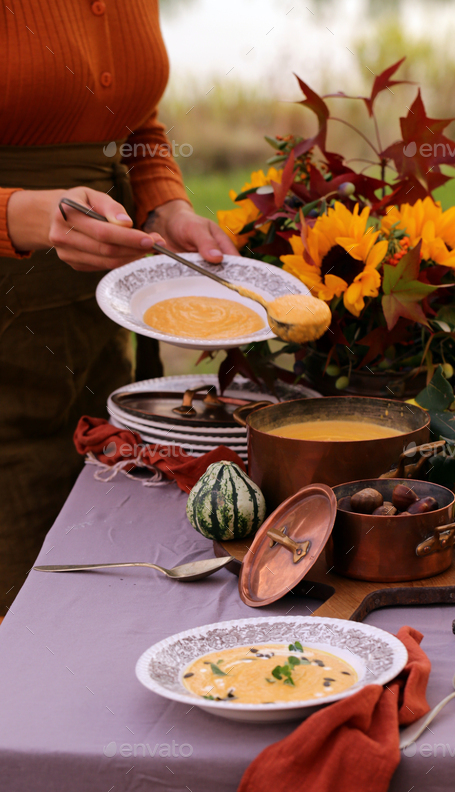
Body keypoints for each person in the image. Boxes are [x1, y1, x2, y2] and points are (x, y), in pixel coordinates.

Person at [0, 1, 238, 613]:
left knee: (94, 575)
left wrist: (166, 207)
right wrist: (23, 215)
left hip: (87, 330)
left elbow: (130, 125)